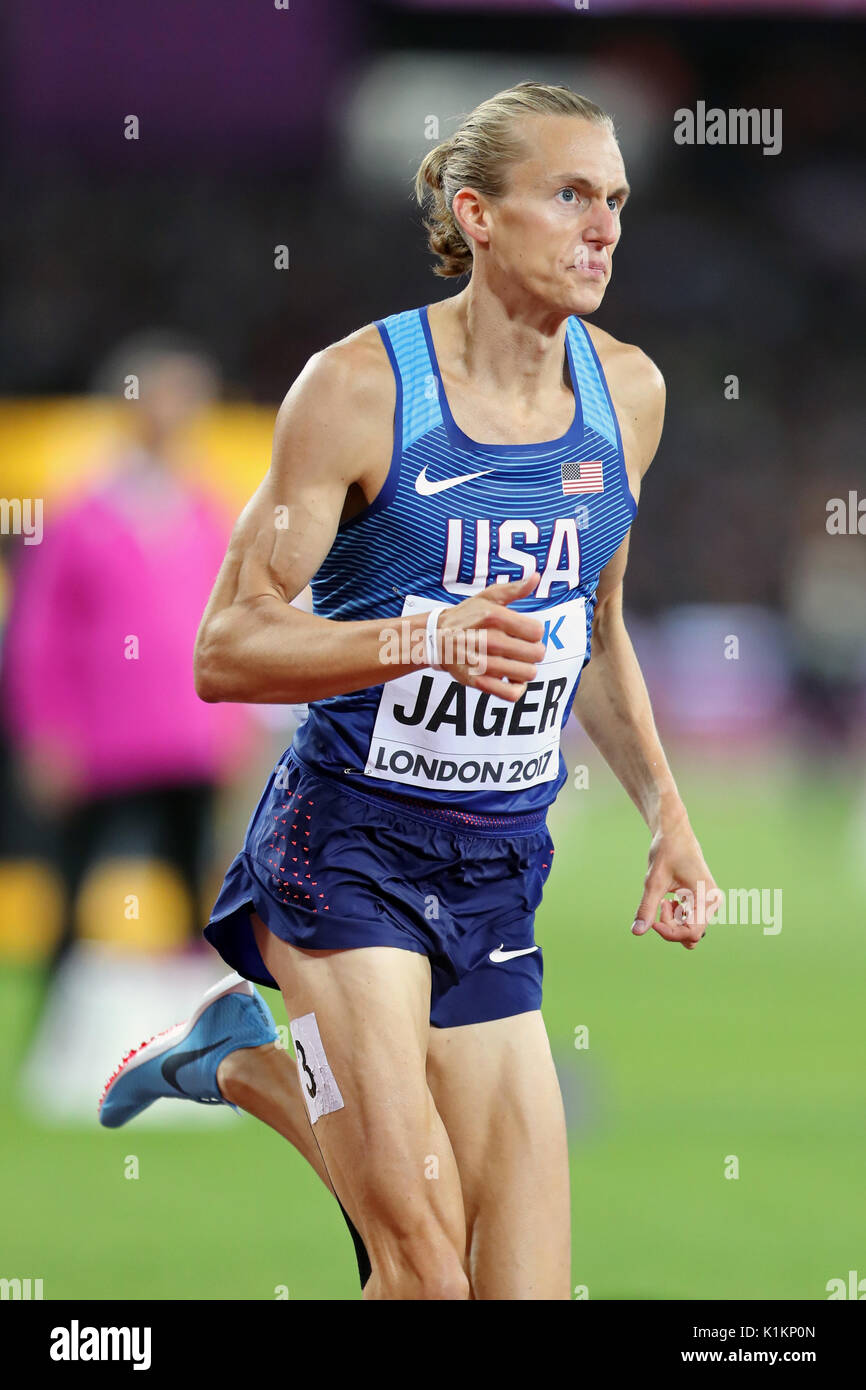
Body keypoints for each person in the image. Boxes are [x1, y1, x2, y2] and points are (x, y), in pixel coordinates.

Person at [100, 82, 718, 1301]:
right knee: (422, 1272)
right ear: (475, 214)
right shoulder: (358, 389)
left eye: (614, 201)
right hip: (349, 852)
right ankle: (274, 1064)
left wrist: (667, 814)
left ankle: (251, 1069)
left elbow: (592, 629)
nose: (601, 229)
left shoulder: (628, 396)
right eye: (568, 195)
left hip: (494, 867)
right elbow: (226, 648)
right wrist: (419, 637)